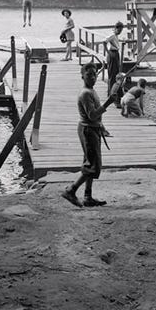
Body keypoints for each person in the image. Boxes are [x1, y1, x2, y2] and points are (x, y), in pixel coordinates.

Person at [62, 62, 110, 209]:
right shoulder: (85, 94)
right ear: (82, 76)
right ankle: (71, 190)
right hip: (87, 129)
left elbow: (96, 116)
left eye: (95, 74)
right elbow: (92, 115)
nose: (93, 77)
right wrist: (109, 103)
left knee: (91, 162)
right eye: (89, 75)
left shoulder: (91, 91)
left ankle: (88, 197)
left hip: (93, 129)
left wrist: (101, 126)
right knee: (91, 165)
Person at [104, 21, 124, 92]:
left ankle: (114, 90)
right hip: (112, 53)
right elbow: (104, 42)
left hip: (116, 53)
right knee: (112, 74)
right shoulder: (112, 35)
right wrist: (108, 52)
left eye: (121, 31)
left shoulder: (115, 35)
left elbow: (114, 42)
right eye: (119, 30)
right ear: (116, 28)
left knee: (116, 72)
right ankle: (110, 91)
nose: (119, 32)